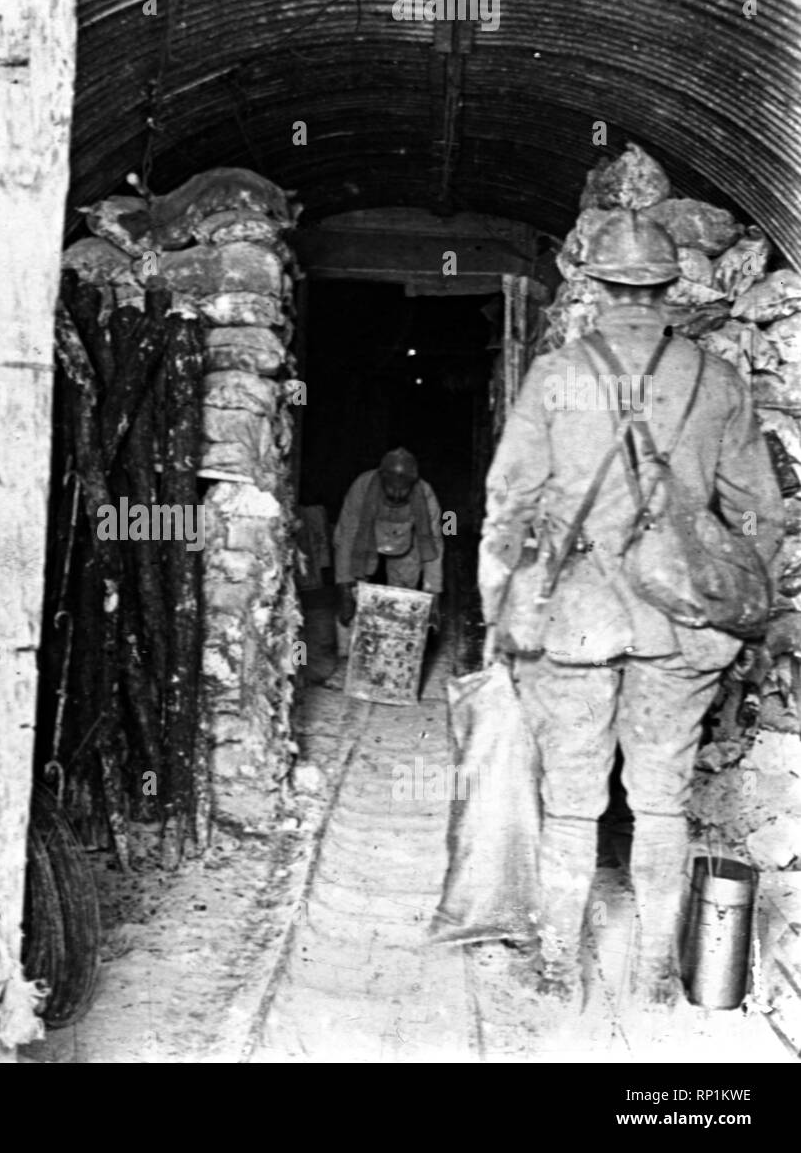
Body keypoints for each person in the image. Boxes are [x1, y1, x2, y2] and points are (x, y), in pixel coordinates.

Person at [478, 209, 784, 1008]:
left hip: (575, 621)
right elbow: (759, 511)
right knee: (660, 800)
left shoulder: (554, 377)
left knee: (571, 803)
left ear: (595, 283)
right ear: (669, 288)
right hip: (680, 625)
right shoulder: (716, 381)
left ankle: (555, 966)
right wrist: (736, 591)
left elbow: (508, 506)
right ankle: (654, 971)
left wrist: (499, 613)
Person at [334, 447, 444, 635]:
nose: (397, 494)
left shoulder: (425, 495)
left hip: (405, 541)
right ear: (382, 479)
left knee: (402, 602)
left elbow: (433, 546)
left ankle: (394, 641)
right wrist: (344, 590)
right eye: (391, 488)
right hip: (365, 539)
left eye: (403, 489)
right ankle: (348, 651)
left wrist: (433, 600)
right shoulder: (363, 487)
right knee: (353, 600)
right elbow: (347, 538)